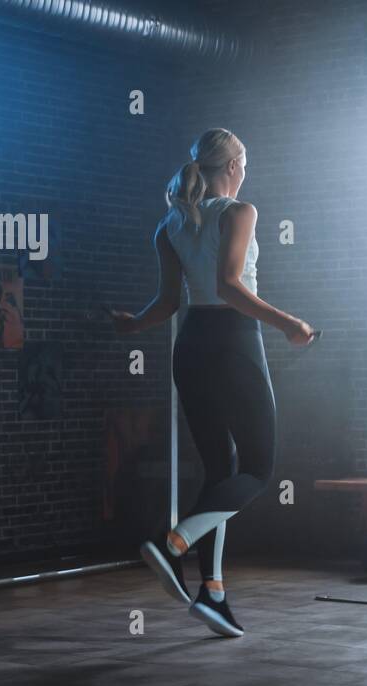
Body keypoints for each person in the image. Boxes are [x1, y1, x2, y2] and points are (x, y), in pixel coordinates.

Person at [111, 128, 315, 637]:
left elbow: (167, 303)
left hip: (191, 345)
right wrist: (289, 323)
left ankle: (213, 592)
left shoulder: (172, 223)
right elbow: (229, 285)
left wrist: (134, 325)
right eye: (244, 166)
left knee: (221, 472)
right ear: (232, 167)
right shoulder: (240, 212)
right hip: (233, 344)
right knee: (259, 469)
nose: (245, 174)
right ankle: (173, 544)